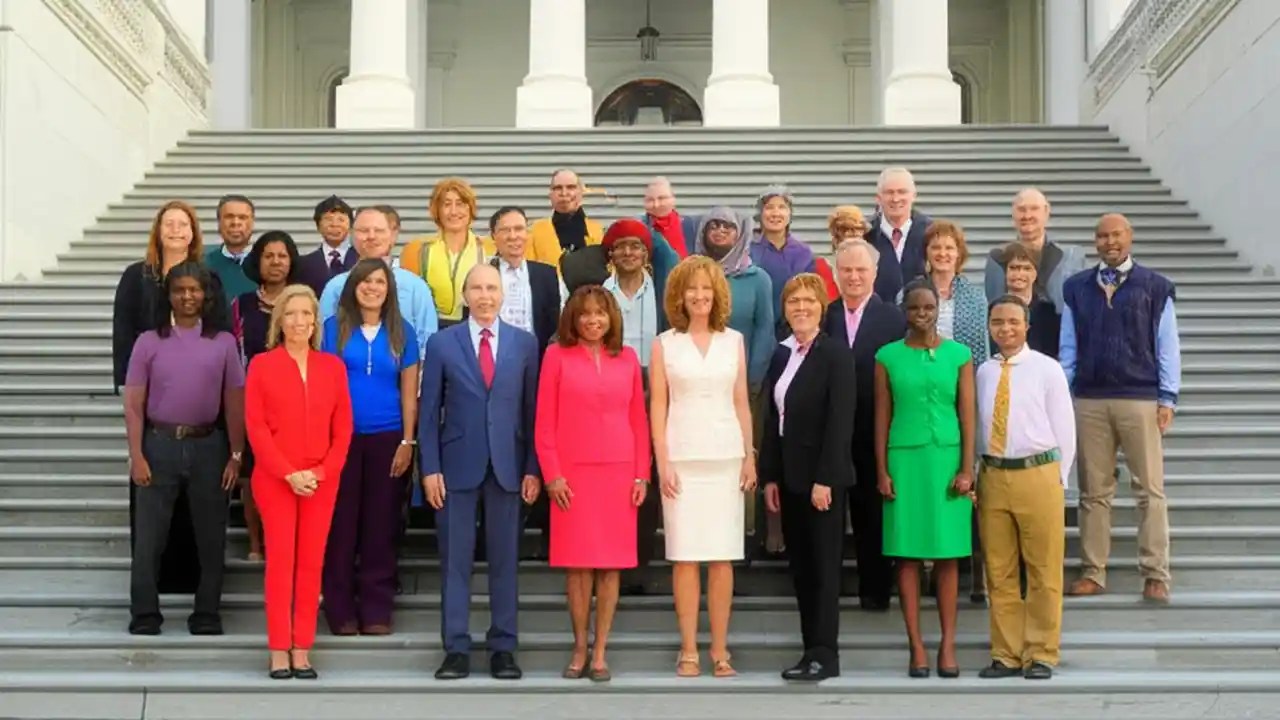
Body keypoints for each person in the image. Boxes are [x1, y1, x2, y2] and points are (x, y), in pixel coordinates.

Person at [418, 264, 542, 680]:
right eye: (477, 288)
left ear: (503, 294)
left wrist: (532, 468)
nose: (485, 295)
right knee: (456, 561)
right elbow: (428, 410)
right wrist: (430, 468)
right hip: (455, 467)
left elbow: (532, 411)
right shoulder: (441, 343)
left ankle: (503, 648)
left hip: (508, 467)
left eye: (492, 288)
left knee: (505, 561)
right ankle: (455, 648)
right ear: (464, 294)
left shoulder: (525, 345)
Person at [113, 200, 229, 598]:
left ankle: (189, 579)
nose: (177, 230)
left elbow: (221, 332)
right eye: (169, 224)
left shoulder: (208, 276)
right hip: (150, 399)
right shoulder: (136, 276)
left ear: (194, 231)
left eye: (184, 224)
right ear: (157, 230)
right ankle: (152, 582)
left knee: (197, 501)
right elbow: (123, 334)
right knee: (152, 498)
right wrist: (130, 395)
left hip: (198, 404)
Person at [1062, 213, 1180, 604]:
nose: (1110, 241)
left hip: (1140, 397)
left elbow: (1167, 346)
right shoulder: (1076, 287)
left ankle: (1156, 572)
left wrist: (1168, 397)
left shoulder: (1155, 287)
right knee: (1093, 492)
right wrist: (1065, 395)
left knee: (1149, 489)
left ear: (1129, 237)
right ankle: (1093, 571)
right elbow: (1069, 348)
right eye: (1102, 236)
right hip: (1090, 400)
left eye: (1116, 234)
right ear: (1095, 241)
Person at [123, 262, 245, 636]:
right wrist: (137, 454)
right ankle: (145, 613)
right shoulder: (148, 341)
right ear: (169, 295)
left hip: (209, 446)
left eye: (195, 290)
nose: (187, 296)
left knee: (210, 535)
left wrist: (236, 454)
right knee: (149, 537)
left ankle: (207, 612)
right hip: (159, 446)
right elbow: (133, 403)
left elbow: (235, 401)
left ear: (206, 296)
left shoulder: (223, 342)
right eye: (180, 290)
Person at [535, 286, 650, 681]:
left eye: (600, 313)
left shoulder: (629, 359)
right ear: (573, 318)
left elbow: (639, 420)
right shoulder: (555, 356)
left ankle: (601, 651)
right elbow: (544, 421)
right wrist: (552, 474)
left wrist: (641, 474)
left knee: (611, 567)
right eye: (584, 314)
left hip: (618, 474)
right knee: (578, 567)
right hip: (572, 476)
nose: (592, 320)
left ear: (612, 317)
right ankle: (579, 646)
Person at [650, 256, 757, 678]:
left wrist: (749, 455)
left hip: (726, 457)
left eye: (707, 289)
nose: (699, 296)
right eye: (692, 289)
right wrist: (663, 463)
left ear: (717, 295)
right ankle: (689, 648)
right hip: (681, 459)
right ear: (679, 294)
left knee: (722, 558)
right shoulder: (664, 344)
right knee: (685, 557)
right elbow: (658, 405)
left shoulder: (734, 341)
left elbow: (740, 402)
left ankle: (720, 650)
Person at [245, 284, 353, 679]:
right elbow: (255, 427)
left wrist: (321, 472)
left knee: (311, 563)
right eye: (290, 314)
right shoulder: (261, 365)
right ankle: (278, 648)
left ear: (315, 321)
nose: (299, 322)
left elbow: (343, 430)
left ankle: (301, 647)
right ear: (279, 321)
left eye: (306, 314)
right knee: (280, 563)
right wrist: (288, 472)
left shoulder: (332, 367)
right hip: (276, 478)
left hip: (320, 480)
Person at [875, 278, 976, 678]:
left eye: (928, 308)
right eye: (914, 308)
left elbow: (969, 417)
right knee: (908, 556)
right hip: (905, 460)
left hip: (948, 459)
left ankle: (948, 645)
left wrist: (968, 468)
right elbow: (881, 418)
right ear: (905, 312)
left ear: (938, 310)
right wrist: (881, 469)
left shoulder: (960, 355)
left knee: (949, 555)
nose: (921, 315)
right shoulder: (887, 357)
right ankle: (916, 646)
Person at [761, 274, 856, 682]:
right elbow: (772, 420)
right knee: (801, 571)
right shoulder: (782, 356)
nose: (801, 307)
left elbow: (840, 422)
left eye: (809, 301)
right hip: (790, 481)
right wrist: (770, 478)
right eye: (793, 301)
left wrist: (826, 480)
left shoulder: (835, 355)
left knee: (822, 572)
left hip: (821, 484)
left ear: (822, 307)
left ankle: (825, 655)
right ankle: (808, 651)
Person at [976, 295, 1076, 681]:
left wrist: (1059, 477)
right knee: (999, 570)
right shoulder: (984, 371)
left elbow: (1064, 427)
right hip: (995, 475)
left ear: (1026, 326)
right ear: (990, 326)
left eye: (1013, 322)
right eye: (998, 322)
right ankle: (1006, 653)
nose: (1005, 329)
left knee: (1043, 567)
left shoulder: (1047, 369)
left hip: (1038, 473)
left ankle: (1041, 652)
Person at [320, 259, 420, 635]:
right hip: (342, 440)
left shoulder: (402, 332)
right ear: (353, 286)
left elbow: (410, 392)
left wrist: (408, 441)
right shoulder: (332, 330)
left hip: (388, 438)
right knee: (342, 525)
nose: (372, 287)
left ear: (388, 288)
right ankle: (341, 610)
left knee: (381, 526)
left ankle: (377, 609)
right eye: (365, 280)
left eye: (379, 281)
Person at [820, 239, 906, 611]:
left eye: (861, 270)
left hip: (877, 434)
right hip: (831, 435)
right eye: (846, 270)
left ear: (875, 273)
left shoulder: (894, 319)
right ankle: (829, 594)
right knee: (830, 518)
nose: (853, 277)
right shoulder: (824, 315)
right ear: (836, 274)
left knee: (873, 516)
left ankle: (875, 593)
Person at [693, 207, 777, 554]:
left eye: (728, 226)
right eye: (713, 225)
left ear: (741, 232)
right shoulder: (691, 275)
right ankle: (700, 534)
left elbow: (764, 329)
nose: (720, 231)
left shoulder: (756, 278)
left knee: (742, 457)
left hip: (746, 388)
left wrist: (752, 378)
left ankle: (744, 536)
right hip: (698, 387)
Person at [601, 219, 665, 592]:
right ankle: (610, 564)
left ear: (646, 254)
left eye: (636, 247)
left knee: (647, 478)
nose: (629, 253)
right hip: (608, 391)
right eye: (621, 246)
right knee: (612, 480)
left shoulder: (663, 293)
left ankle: (639, 566)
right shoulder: (598, 294)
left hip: (656, 386)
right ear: (610, 254)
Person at [230, 230, 301, 561]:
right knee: (254, 477)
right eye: (269, 255)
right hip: (253, 400)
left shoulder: (302, 301)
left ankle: (287, 542)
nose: (276, 262)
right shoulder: (242, 304)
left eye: (283, 255)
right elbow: (233, 352)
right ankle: (257, 544)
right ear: (258, 261)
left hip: (297, 403)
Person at [320, 205, 438, 360]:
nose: (371, 236)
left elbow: (428, 343)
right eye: (363, 231)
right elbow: (321, 340)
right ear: (352, 236)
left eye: (379, 230)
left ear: (393, 235)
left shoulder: (416, 287)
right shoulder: (335, 287)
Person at [399, 177, 495, 329]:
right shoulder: (417, 249)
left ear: (471, 208)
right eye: (447, 204)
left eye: (461, 204)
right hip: (431, 328)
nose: (454, 211)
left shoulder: (489, 248)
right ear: (436, 210)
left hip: (476, 328)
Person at [983, 188, 1087, 313]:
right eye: (1021, 209)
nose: (1027, 216)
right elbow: (994, 308)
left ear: (1047, 211)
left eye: (1034, 208)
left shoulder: (1070, 258)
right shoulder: (998, 258)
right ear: (1013, 214)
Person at [487, 206, 561, 352]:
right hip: (494, 357)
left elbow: (557, 326)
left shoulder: (547, 275)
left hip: (537, 358)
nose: (513, 236)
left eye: (519, 229)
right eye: (505, 230)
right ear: (493, 236)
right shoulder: (483, 274)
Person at [749, 184, 817, 332]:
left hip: (794, 330)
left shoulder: (803, 253)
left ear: (790, 214)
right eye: (769, 207)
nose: (775, 213)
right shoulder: (747, 250)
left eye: (781, 207)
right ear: (760, 214)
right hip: (755, 329)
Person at [866, 167, 931, 302]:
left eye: (902, 192)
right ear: (878, 198)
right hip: (879, 317)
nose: (896, 199)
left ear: (914, 196)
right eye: (889, 192)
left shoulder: (931, 233)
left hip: (922, 318)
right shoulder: (864, 234)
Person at [527, 168, 604, 267]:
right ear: (550, 195)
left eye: (570, 187)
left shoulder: (597, 231)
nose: (564, 193)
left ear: (581, 192)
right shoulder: (534, 231)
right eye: (558, 188)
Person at [996, 243, 1060, 358]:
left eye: (1026, 268)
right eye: (1014, 268)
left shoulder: (1048, 312)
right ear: (1005, 272)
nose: (1019, 274)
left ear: (1035, 274)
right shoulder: (994, 311)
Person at [296, 195, 357, 298]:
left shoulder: (362, 260)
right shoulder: (303, 265)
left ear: (351, 226)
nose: (334, 225)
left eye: (341, 220)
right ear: (318, 226)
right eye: (328, 219)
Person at [204, 194, 257, 302]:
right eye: (229, 217)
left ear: (252, 223)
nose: (235, 223)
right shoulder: (204, 265)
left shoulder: (265, 264)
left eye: (242, 217)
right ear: (219, 223)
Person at [815, 206, 869, 301]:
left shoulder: (873, 266)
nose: (854, 234)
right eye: (846, 229)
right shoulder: (821, 266)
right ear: (836, 233)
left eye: (858, 229)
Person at [640, 176, 700, 258]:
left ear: (673, 199)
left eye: (661, 198)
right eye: (650, 200)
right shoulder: (640, 226)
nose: (656, 205)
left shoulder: (691, 225)